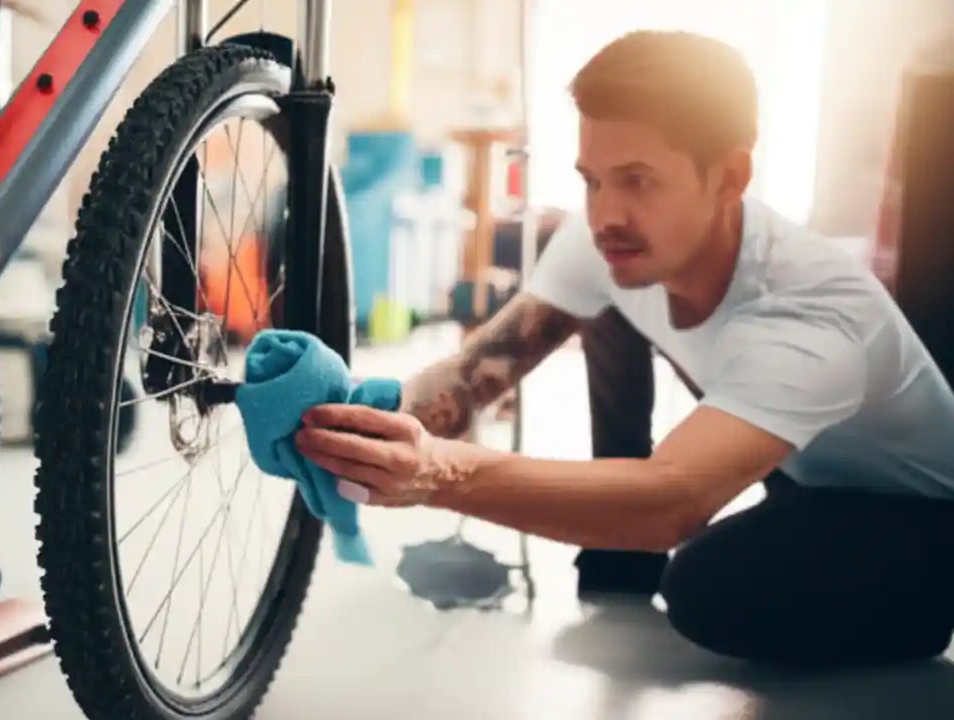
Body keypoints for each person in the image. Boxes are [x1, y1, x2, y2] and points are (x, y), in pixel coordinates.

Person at [294, 30, 954, 668]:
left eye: (638, 180)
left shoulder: (808, 316)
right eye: (593, 180)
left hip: (915, 515)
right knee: (610, 287)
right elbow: (483, 369)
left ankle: (921, 608)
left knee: (708, 589)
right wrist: (365, 423)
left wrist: (437, 470)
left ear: (729, 177)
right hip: (806, 471)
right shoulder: (611, 239)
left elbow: (670, 505)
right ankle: (619, 539)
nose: (606, 213)